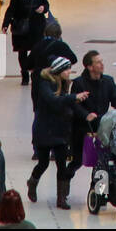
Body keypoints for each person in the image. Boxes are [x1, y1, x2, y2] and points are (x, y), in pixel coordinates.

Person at [29, 56, 84, 210]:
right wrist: (73, 98)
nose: (69, 71)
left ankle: (61, 198)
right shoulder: (45, 83)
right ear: (59, 70)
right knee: (44, 163)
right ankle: (32, 182)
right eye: (66, 69)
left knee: (62, 165)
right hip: (44, 130)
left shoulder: (66, 84)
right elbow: (53, 100)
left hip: (60, 130)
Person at [65, 50, 116, 193]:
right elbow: (74, 104)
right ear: (89, 67)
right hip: (81, 129)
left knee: (102, 162)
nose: (102, 64)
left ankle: (99, 192)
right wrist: (86, 115)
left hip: (101, 129)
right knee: (77, 161)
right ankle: (64, 184)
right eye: (98, 62)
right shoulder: (79, 83)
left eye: (101, 61)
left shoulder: (108, 81)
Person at [4, 0, 50, 85]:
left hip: (36, 26)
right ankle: (24, 73)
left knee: (37, 51)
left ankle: (35, 72)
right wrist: (6, 23)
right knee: (22, 52)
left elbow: (46, 3)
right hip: (21, 26)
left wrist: (43, 8)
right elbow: (11, 8)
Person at [28, 20, 77, 108]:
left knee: (40, 110)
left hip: (38, 81)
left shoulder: (37, 46)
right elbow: (73, 59)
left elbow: (27, 65)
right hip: (57, 82)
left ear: (45, 33)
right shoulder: (62, 46)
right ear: (59, 34)